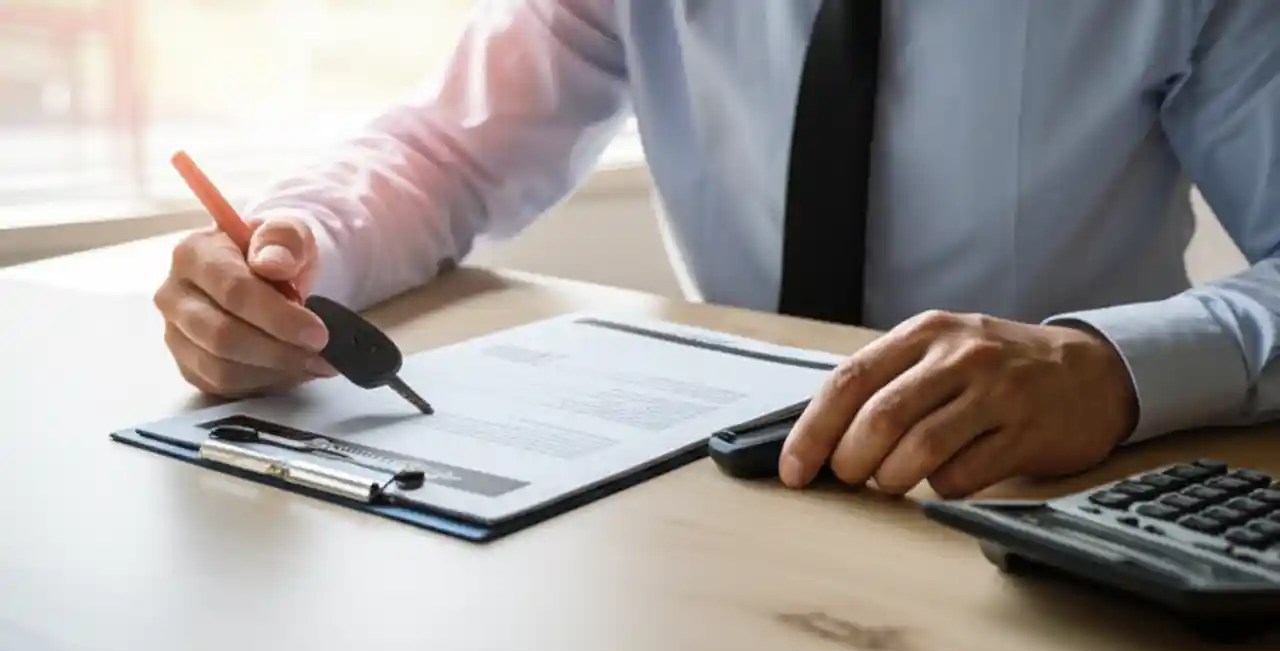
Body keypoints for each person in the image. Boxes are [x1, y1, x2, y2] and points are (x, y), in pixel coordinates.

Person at [153, 1, 1280, 498]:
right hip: (719, 483)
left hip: (1049, 503)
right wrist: (300, 250)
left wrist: (1110, 369)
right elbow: (448, 149)